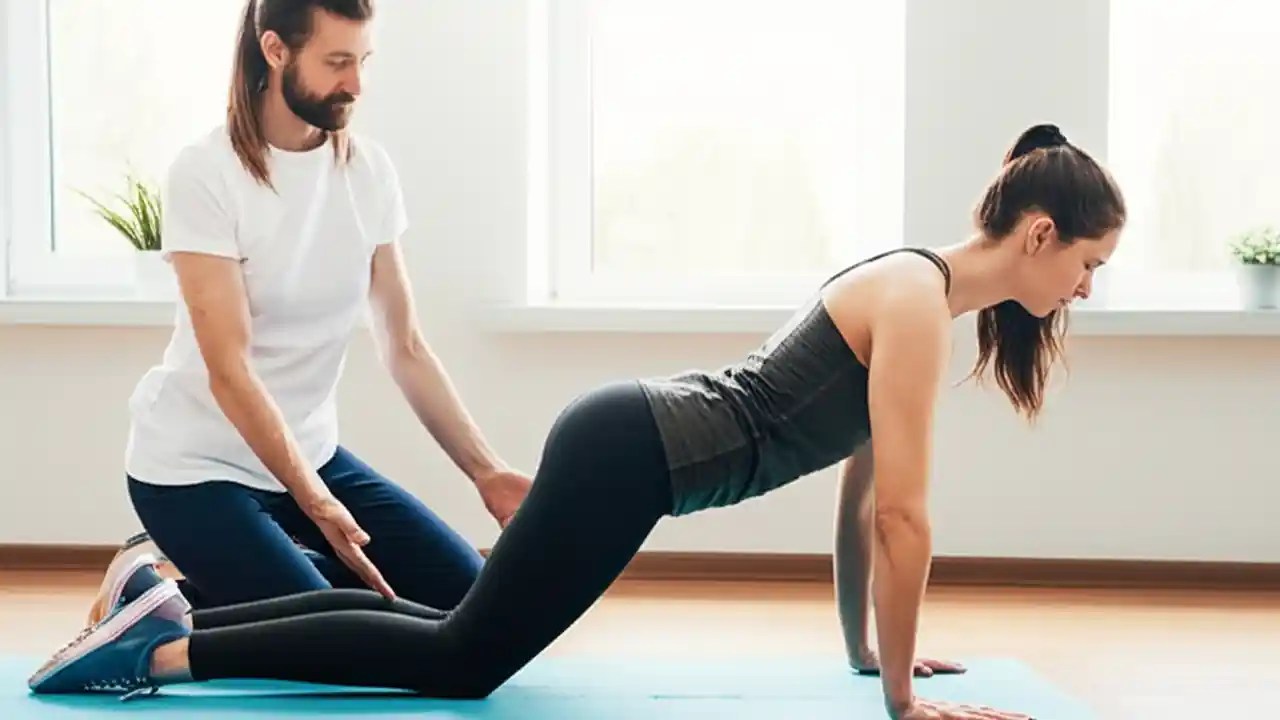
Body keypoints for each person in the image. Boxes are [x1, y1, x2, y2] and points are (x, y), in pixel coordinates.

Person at [31, 122, 1124, 720]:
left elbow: (863, 500)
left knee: (455, 635)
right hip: (629, 454)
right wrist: (897, 705)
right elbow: (900, 519)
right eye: (1086, 264)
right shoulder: (915, 302)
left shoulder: (917, 299)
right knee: (464, 658)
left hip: (627, 446)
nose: (1084, 290)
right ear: (1036, 234)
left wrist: (876, 662)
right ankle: (164, 653)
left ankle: (161, 620)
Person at [85, 0, 532, 626]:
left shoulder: (368, 171)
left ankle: (219, 585)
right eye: (337, 62)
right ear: (275, 50)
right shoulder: (208, 173)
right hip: (194, 468)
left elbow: (404, 346)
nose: (355, 83)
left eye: (363, 61)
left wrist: (487, 473)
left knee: (472, 603)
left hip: (309, 451)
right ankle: (148, 596)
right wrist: (317, 504)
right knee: (345, 633)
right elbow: (230, 370)